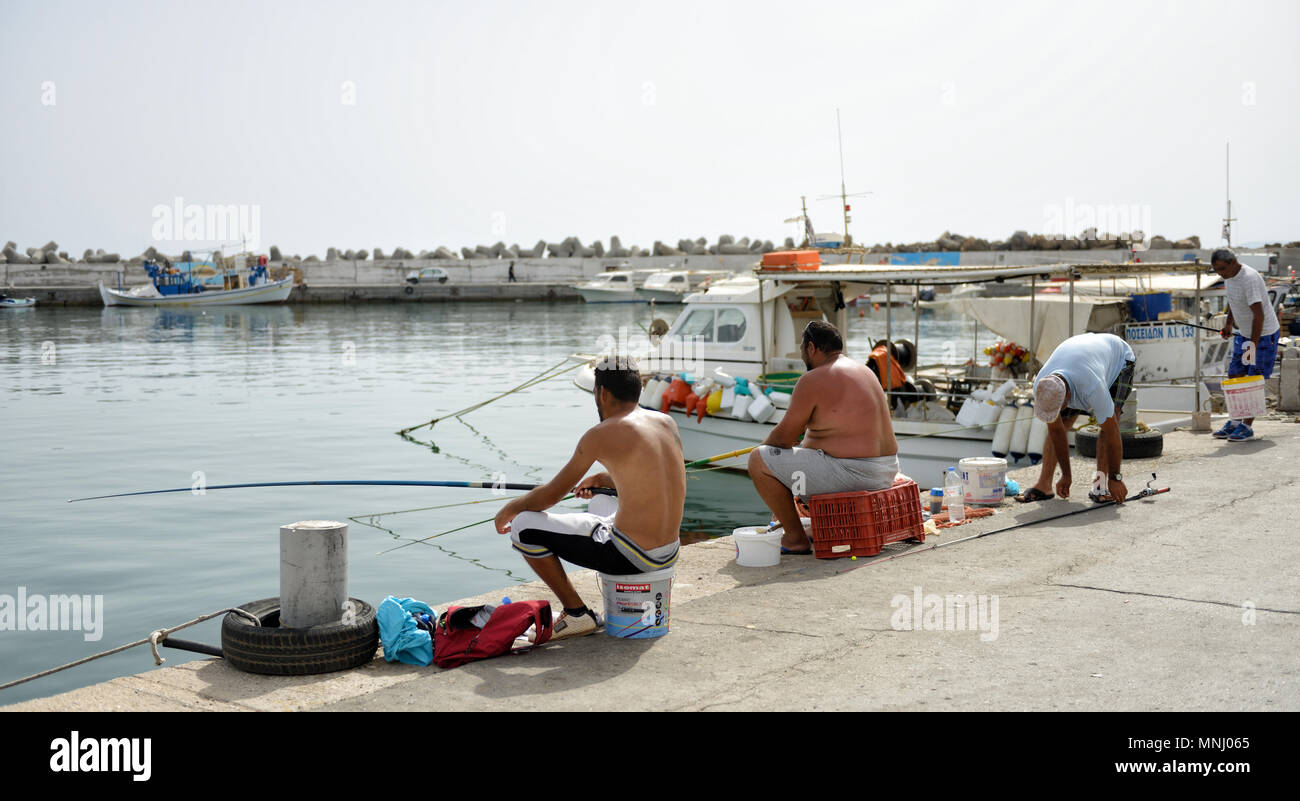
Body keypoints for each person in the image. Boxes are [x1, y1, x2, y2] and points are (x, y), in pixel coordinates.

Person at [494, 355, 685, 638]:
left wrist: (510, 507)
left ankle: (576, 613)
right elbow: (659, 482)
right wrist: (606, 480)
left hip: (631, 555)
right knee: (600, 500)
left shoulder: (601, 433)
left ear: (602, 393)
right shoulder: (666, 422)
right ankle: (581, 609)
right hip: (668, 552)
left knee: (523, 525)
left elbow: (549, 496)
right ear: (638, 390)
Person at [747, 320, 899, 555]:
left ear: (811, 348)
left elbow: (781, 439)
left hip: (856, 475)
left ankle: (796, 538)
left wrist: (772, 461)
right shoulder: (864, 371)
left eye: (802, 349)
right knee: (807, 445)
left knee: (759, 459)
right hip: (886, 472)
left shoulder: (813, 379)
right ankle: (821, 528)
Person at [1016, 332, 1135, 505]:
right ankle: (1044, 485)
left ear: (1068, 396)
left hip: (1119, 359)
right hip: (1081, 357)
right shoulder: (1042, 385)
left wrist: (1116, 477)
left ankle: (1100, 486)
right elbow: (1056, 431)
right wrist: (1066, 475)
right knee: (1061, 423)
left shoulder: (1092, 388)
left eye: (1062, 406)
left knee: (1109, 421)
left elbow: (1112, 432)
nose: (1059, 411)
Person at [1210, 249, 1280, 442]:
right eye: (1216, 270)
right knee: (1235, 374)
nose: (1220, 274)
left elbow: (1259, 315)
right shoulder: (1229, 276)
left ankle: (1246, 426)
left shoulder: (1248, 279)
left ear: (1233, 262)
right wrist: (1229, 323)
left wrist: (1253, 345)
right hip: (1245, 334)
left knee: (1253, 380)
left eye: (1222, 269)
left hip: (1263, 336)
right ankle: (1234, 420)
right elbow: (1234, 301)